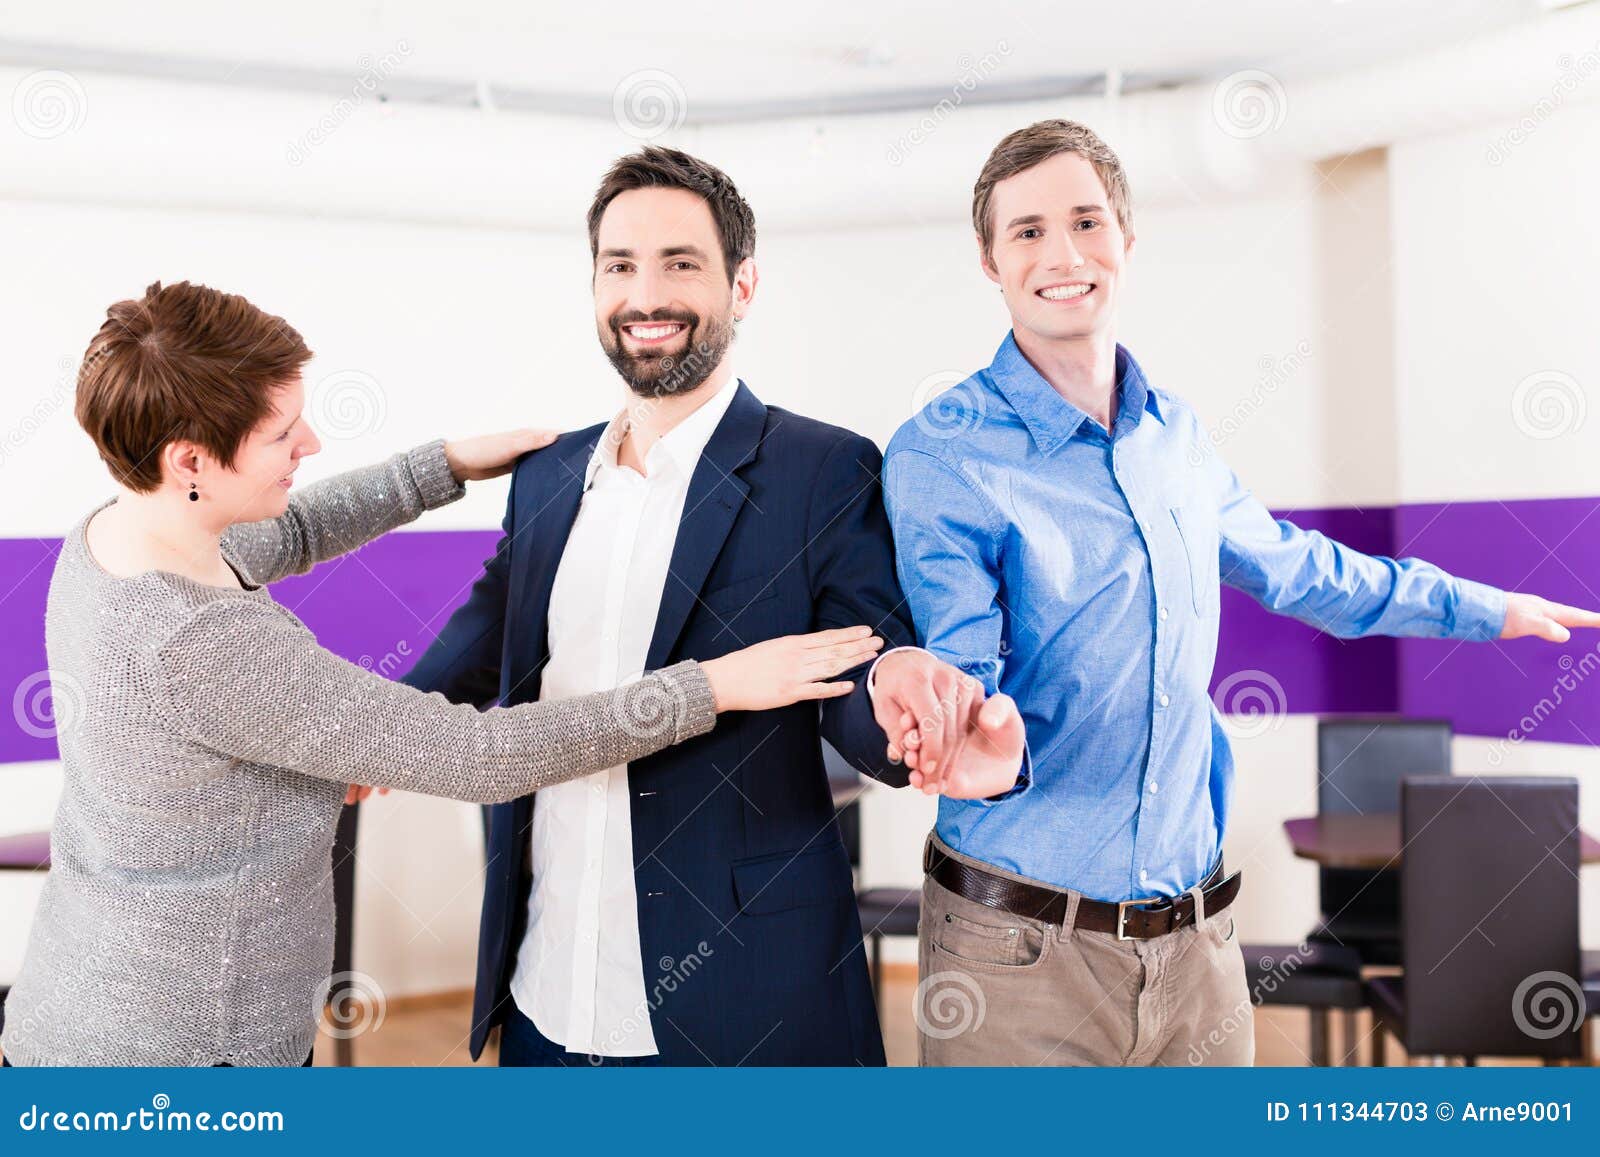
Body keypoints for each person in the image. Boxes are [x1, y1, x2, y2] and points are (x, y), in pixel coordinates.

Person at [0, 280, 880, 1067]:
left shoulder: (115, 537)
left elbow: (293, 529)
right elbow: (479, 756)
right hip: (182, 1055)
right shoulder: (204, 643)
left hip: (75, 1006)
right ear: (189, 460)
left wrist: (444, 465)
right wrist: (712, 685)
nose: (310, 440)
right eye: (280, 433)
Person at [882, 119, 1600, 1066]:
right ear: (990, 260)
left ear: (1126, 239)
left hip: (1200, 953)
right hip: (1019, 956)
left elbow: (1301, 568)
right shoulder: (943, 450)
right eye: (1028, 231)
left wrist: (1486, 607)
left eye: (1087, 221)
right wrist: (972, 731)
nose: (1063, 254)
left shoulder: (1175, 437)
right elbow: (960, 658)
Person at [400, 147, 1026, 1067]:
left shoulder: (821, 469)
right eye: (620, 265)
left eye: (681, 263)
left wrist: (912, 721)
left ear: (743, 285)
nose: (645, 295)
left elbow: (860, 670)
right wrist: (352, 736)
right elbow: (474, 646)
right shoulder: (545, 476)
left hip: (746, 1000)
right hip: (544, 994)